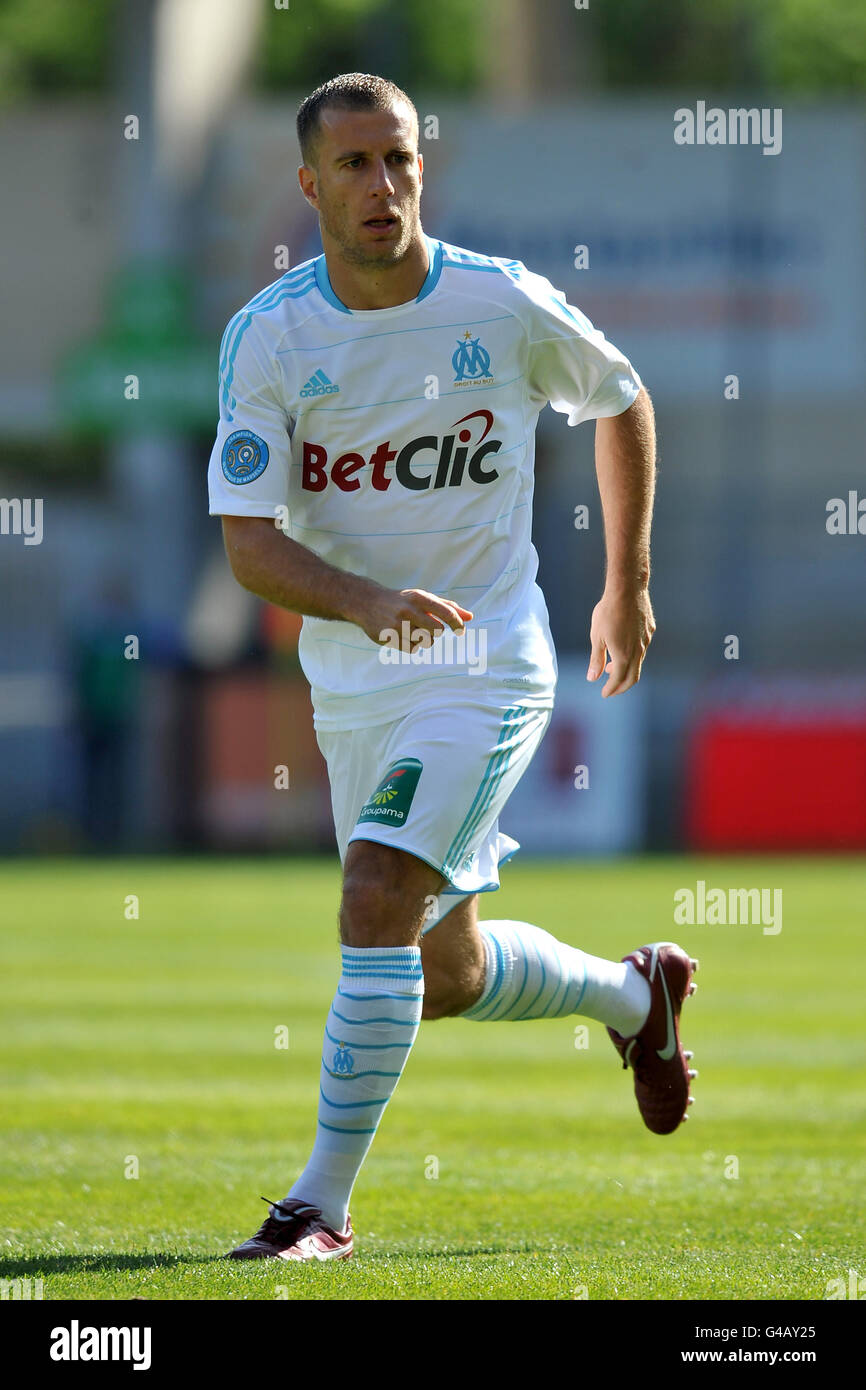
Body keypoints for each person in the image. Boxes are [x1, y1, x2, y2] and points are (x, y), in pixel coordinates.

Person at [207, 73, 698, 1264]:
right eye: (358, 166)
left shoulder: (498, 302)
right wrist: (366, 603)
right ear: (311, 184)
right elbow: (249, 544)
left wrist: (624, 584)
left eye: (402, 160)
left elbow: (619, 398)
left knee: (374, 891)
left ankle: (316, 1206)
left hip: (487, 664)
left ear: (423, 167)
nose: (384, 187)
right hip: (356, 680)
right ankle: (638, 999)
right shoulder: (270, 334)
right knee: (443, 969)